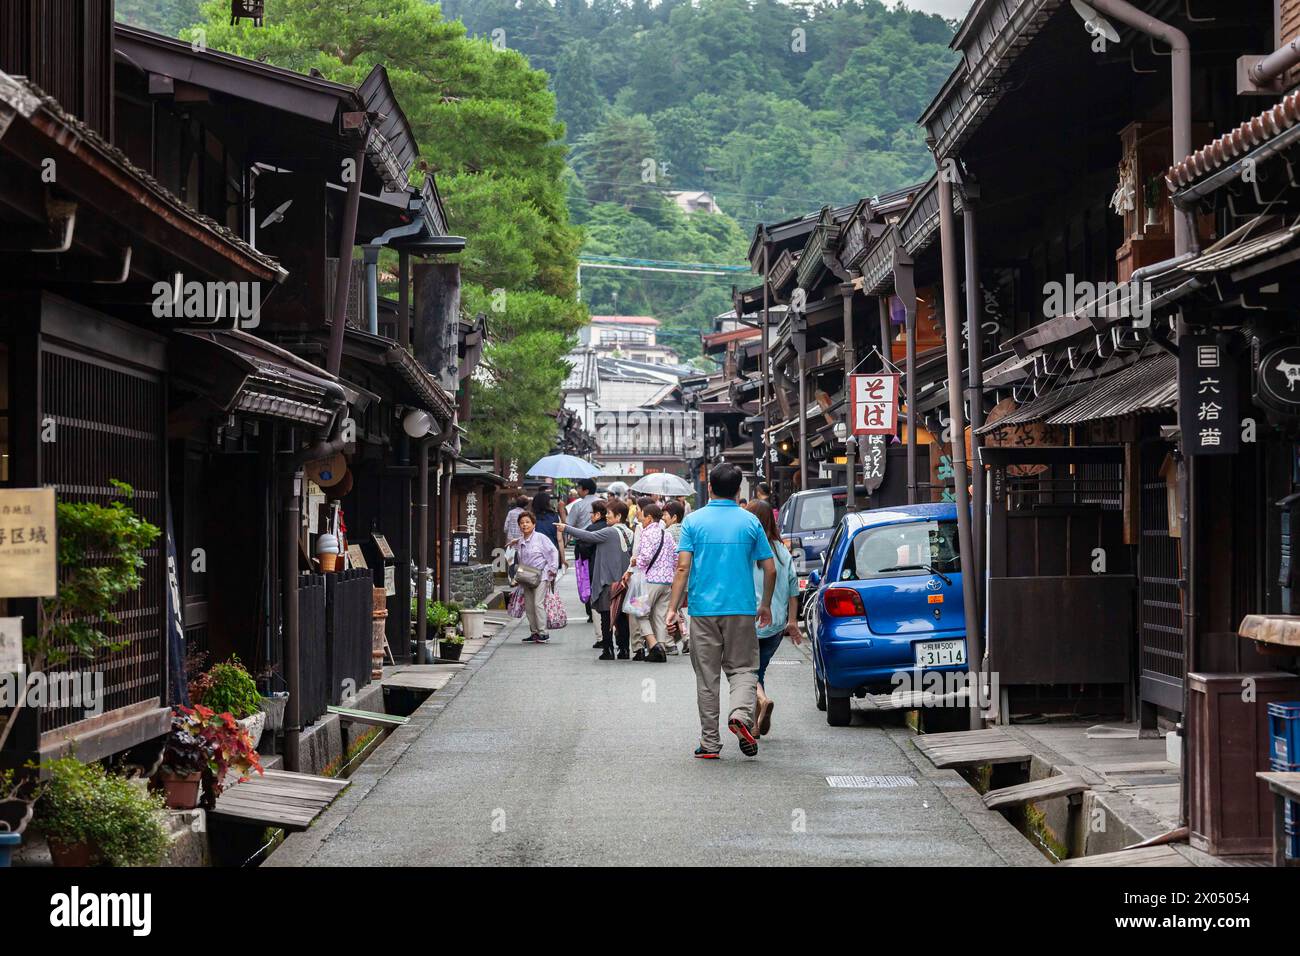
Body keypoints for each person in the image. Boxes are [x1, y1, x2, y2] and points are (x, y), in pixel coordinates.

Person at [668, 463, 775, 759]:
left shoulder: (693, 522)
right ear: (739, 490)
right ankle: (741, 715)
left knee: (707, 677)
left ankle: (710, 743)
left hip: (703, 610)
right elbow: (770, 568)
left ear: (710, 488)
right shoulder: (750, 522)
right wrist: (764, 604)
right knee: (743, 668)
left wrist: (672, 608)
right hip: (741, 609)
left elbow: (682, 567)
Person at [746, 500, 801, 737]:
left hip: (749, 620)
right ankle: (756, 721)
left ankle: (762, 701)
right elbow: (793, 589)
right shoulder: (782, 550)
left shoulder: (746, 550)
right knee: (759, 670)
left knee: (746, 672)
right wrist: (792, 622)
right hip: (777, 624)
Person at [559, 499, 634, 660]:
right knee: (621, 617)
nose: (606, 517)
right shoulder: (629, 532)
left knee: (606, 617)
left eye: (609, 514)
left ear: (618, 516)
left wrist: (566, 527)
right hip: (623, 582)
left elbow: (588, 536)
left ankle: (607, 650)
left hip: (608, 582)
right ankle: (624, 649)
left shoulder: (610, 532)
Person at [626, 502, 676, 663]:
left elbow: (645, 557)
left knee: (638, 612)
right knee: (659, 617)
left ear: (648, 517)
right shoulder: (666, 534)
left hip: (650, 580)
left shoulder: (647, 533)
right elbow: (676, 556)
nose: (639, 517)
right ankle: (661, 648)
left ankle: (654, 646)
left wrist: (635, 561)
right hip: (666, 581)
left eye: (640, 514)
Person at [514, 510, 559, 643]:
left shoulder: (541, 538)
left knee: (537, 603)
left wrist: (552, 568)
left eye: (527, 522)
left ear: (534, 524)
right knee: (529, 605)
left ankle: (543, 632)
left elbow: (553, 552)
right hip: (526, 576)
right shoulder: (521, 540)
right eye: (522, 523)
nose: (525, 525)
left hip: (541, 575)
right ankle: (534, 632)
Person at [567, 479, 598, 621]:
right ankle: (600, 608)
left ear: (585, 490)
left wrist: (562, 511)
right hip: (599, 543)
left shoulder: (577, 506)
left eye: (578, 488)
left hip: (583, 545)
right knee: (599, 574)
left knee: (585, 576)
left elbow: (568, 527)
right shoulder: (603, 503)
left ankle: (591, 611)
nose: (577, 490)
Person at [661, 500, 688, 654]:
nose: (663, 517)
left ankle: (671, 644)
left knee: (670, 609)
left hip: (672, 579)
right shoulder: (686, 530)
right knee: (676, 609)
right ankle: (686, 639)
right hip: (686, 578)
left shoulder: (667, 533)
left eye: (665, 514)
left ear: (675, 517)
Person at [578, 499, 608, 634]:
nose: (590, 516)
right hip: (611, 571)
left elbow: (583, 551)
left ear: (597, 515)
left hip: (594, 569)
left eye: (592, 513)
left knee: (596, 600)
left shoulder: (591, 530)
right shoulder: (612, 528)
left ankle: (600, 636)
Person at [531, 491, 565, 568]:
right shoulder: (555, 517)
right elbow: (559, 539)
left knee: (533, 577)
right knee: (549, 577)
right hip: (551, 552)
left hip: (534, 552)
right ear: (547, 503)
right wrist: (563, 559)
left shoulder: (531, 517)